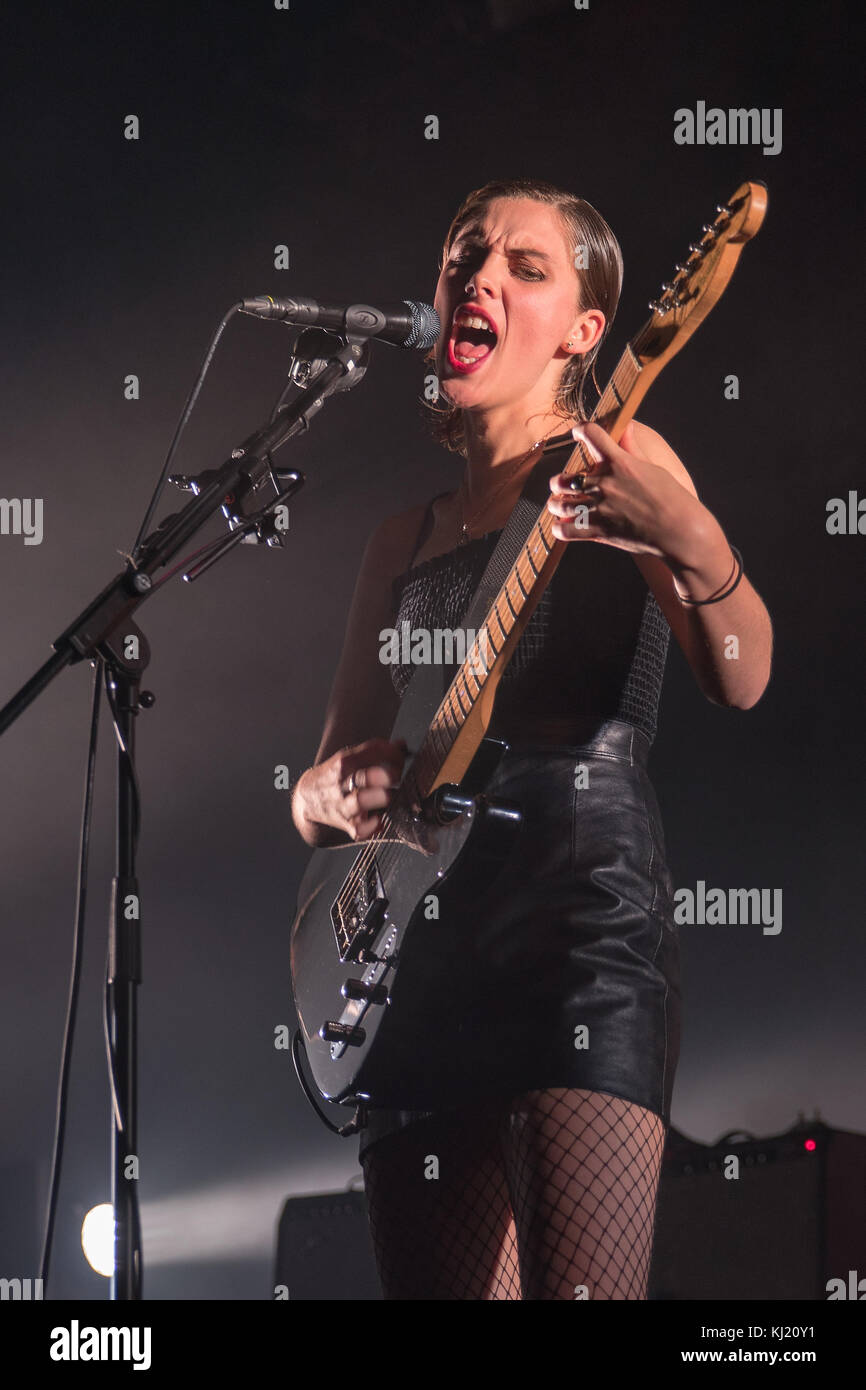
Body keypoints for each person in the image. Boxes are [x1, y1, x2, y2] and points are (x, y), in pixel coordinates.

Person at [290, 178, 773, 1300]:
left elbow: (740, 677)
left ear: (586, 332)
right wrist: (328, 790)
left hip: (576, 919)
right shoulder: (396, 537)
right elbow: (315, 786)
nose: (479, 278)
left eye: (524, 267)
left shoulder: (622, 451)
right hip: (410, 960)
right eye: (464, 257)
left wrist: (688, 538)